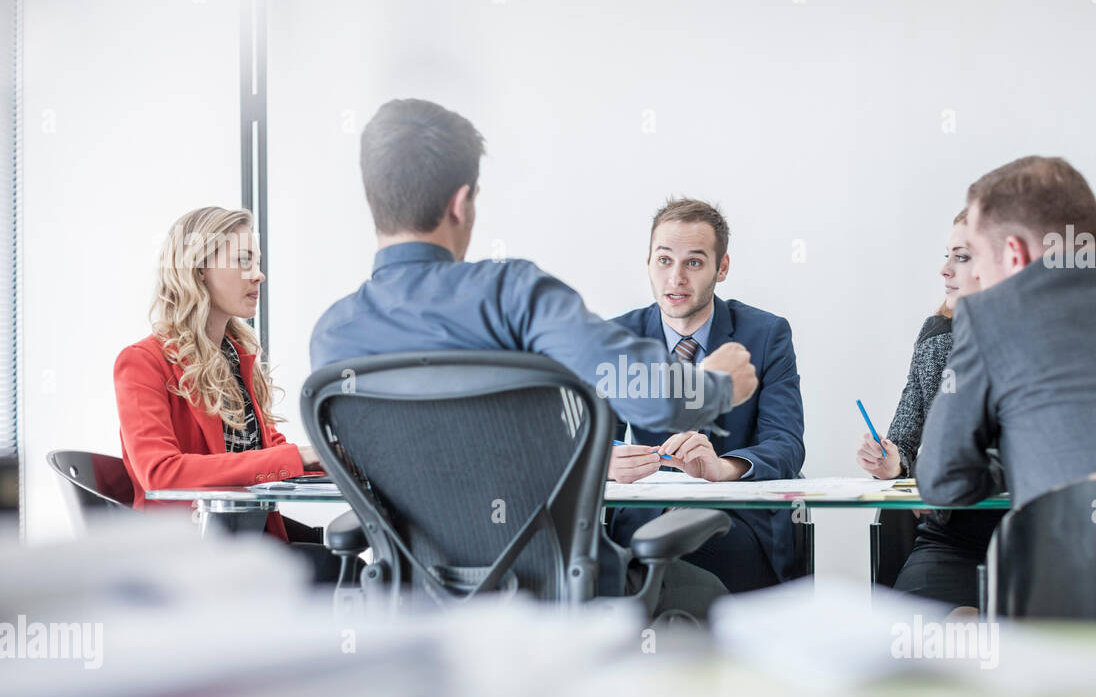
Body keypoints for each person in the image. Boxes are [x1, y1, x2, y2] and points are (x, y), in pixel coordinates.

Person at [309, 98, 759, 614]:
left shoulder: (333, 337)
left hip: (413, 601)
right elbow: (653, 398)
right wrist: (718, 383)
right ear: (461, 202)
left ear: (374, 199)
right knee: (714, 601)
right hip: (559, 595)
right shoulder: (513, 295)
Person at [114, 206, 335, 577]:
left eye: (258, 261)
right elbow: (162, 473)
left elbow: (268, 453)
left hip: (243, 537)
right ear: (199, 269)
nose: (259, 275)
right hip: (189, 555)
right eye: (244, 261)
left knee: (351, 559)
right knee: (346, 572)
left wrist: (336, 459)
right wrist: (299, 456)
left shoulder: (236, 355)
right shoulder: (141, 362)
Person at [606, 198, 805, 592]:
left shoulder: (766, 335)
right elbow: (583, 440)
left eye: (693, 262)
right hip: (643, 517)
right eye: (664, 260)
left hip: (735, 518)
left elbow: (786, 443)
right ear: (648, 262)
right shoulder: (619, 339)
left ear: (722, 267)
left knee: (691, 560)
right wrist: (605, 460)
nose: (675, 278)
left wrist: (723, 468)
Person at [916, 155, 1096, 511]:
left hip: (1064, 558)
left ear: (1014, 253)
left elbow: (942, 480)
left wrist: (1005, 463)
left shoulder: (990, 315)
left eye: (976, 255)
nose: (979, 273)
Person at [856, 208, 1005, 607]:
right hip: (952, 539)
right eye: (947, 255)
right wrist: (892, 461)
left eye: (961, 256)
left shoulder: (1043, 340)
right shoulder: (937, 335)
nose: (944, 270)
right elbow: (905, 437)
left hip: (1027, 537)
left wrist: (935, 471)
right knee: (915, 634)